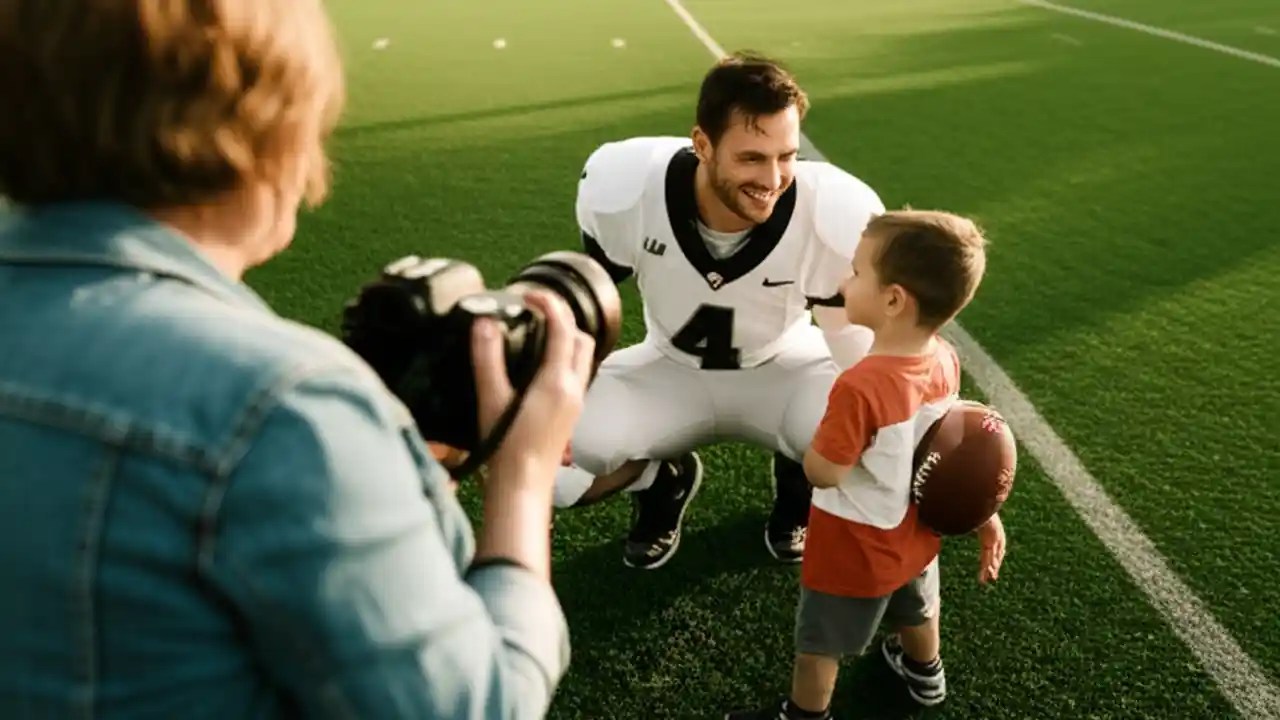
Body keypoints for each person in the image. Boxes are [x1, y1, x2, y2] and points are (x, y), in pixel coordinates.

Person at [0, 1, 592, 717]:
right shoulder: (278, 408)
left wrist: (394, 474)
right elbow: (476, 705)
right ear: (261, 132)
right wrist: (522, 475)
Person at [554, 52, 885, 569]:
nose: (774, 178)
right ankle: (663, 481)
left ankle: (796, 491)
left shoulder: (832, 211)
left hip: (785, 369)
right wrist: (551, 397)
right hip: (669, 369)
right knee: (556, 472)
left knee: (858, 432)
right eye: (752, 157)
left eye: (787, 155)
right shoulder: (627, 189)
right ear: (702, 144)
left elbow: (857, 353)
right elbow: (583, 306)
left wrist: (887, 428)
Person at [725, 210, 1008, 720]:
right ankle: (925, 673)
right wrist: (984, 515)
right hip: (915, 536)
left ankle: (805, 715)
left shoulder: (860, 387)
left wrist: (808, 449)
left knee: (820, 645)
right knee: (918, 609)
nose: (843, 281)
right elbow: (945, 450)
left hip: (853, 546)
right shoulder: (943, 358)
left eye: (856, 272)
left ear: (894, 300)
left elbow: (824, 472)